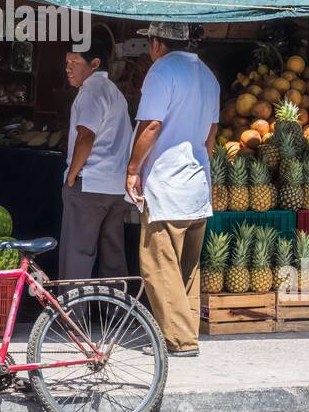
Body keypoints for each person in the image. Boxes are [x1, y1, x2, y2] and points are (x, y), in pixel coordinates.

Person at [125, 22, 220, 357]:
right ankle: (185, 332)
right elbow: (211, 136)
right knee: (187, 269)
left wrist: (133, 169)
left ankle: (180, 340)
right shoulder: (207, 75)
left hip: (167, 186)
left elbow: (152, 125)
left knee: (158, 265)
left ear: (155, 43)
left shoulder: (161, 71)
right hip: (196, 186)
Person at [59, 35, 132, 280]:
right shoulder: (114, 92)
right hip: (114, 188)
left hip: (90, 187)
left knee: (78, 256)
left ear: (95, 63)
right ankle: (117, 314)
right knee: (113, 258)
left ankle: (70, 316)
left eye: (75, 62)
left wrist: (71, 176)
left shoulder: (92, 90)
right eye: (67, 61)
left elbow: (86, 136)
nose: (68, 67)